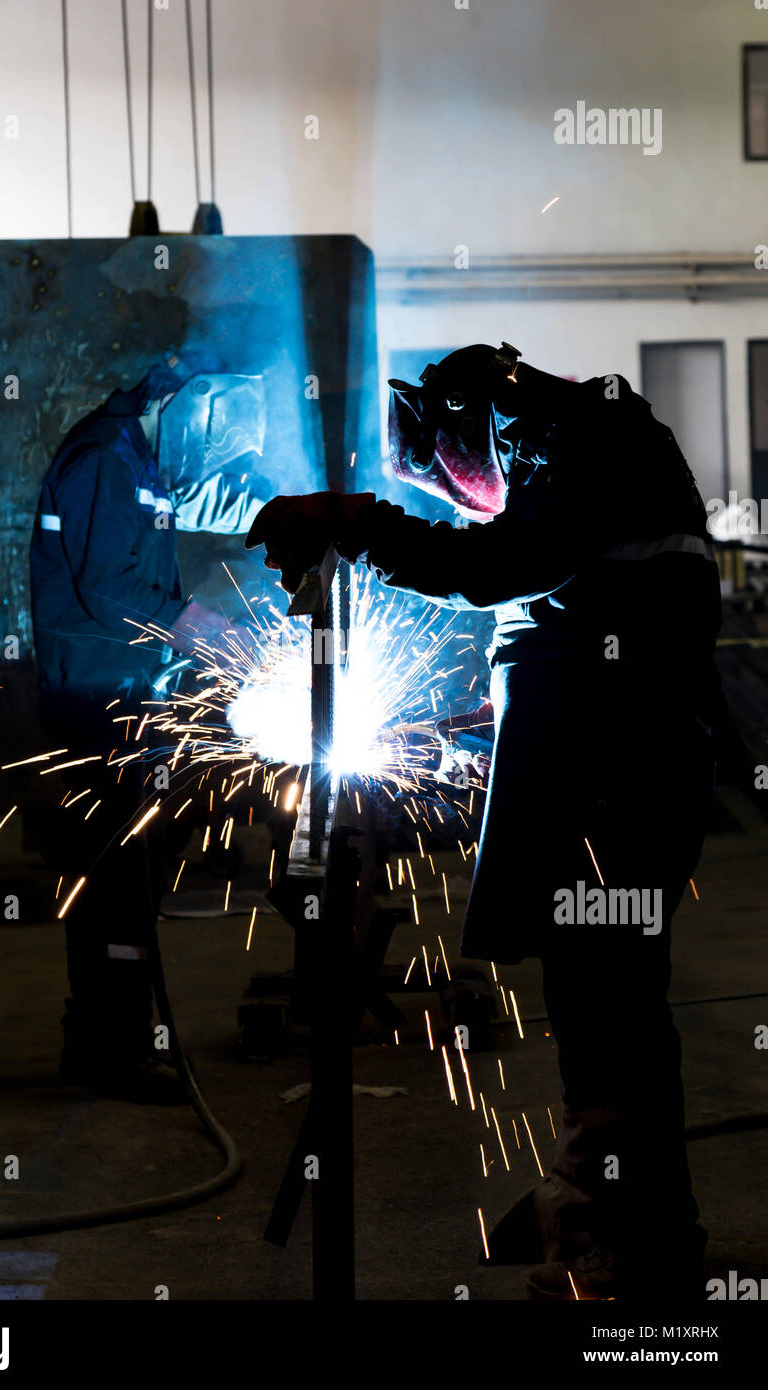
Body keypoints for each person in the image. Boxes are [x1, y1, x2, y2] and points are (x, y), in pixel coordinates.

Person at [245, 341, 744, 1299]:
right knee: (607, 1004)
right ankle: (639, 1230)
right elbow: (594, 620)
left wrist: (362, 522)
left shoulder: (594, 438)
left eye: (454, 473)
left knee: (609, 1004)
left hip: (618, 785)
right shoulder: (601, 447)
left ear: (483, 422)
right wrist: (497, 721)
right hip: (612, 759)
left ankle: (624, 1250)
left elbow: (499, 566)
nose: (467, 495)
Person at [30, 352, 266, 1103]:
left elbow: (147, 566)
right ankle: (105, 1054)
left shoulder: (135, 459)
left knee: (124, 881)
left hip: (120, 695)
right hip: (92, 706)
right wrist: (192, 623)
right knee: (109, 884)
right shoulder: (106, 460)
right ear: (176, 404)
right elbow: (106, 588)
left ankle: (114, 1045)